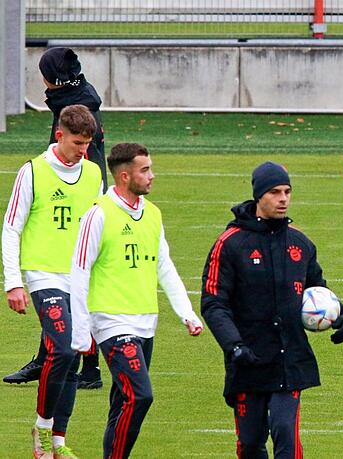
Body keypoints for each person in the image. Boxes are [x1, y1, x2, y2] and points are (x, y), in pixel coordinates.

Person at [201, 161, 343, 458]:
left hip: (290, 359)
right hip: (249, 360)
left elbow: (317, 288)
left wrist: (341, 315)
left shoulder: (300, 243)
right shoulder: (230, 244)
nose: (283, 198)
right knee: (250, 442)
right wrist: (234, 347)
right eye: (274, 192)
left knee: (286, 433)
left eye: (287, 191)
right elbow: (213, 302)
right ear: (259, 196)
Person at [70, 143, 203, 458]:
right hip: (112, 323)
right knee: (140, 396)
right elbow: (79, 271)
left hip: (146, 322)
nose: (152, 176)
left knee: (122, 401)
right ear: (125, 176)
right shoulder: (98, 214)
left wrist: (187, 312)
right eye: (145, 170)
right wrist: (81, 329)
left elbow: (164, 266)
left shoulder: (153, 214)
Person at [2, 104, 103, 459]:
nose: (83, 150)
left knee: (72, 355)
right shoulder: (32, 172)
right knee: (60, 348)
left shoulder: (93, 174)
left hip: (81, 280)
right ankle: (42, 432)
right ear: (59, 135)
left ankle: (58, 442)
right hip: (44, 274)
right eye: (77, 142)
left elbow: (99, 230)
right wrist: (13, 282)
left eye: (87, 144)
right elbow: (11, 228)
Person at [4, 46, 106, 390]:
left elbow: (82, 161)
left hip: (79, 204)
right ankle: (52, 359)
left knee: (77, 300)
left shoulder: (74, 109)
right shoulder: (77, 97)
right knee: (66, 304)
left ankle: (85, 369)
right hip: (72, 205)